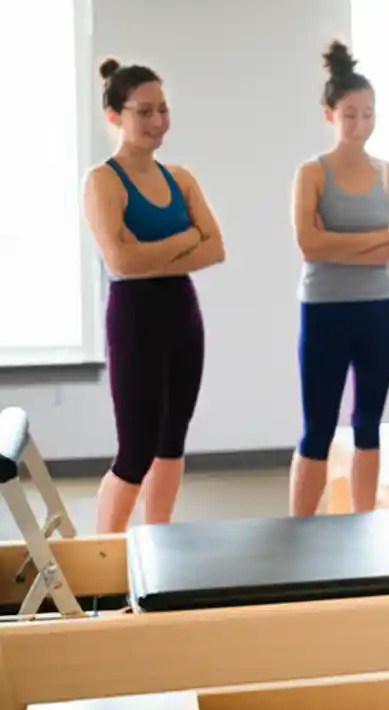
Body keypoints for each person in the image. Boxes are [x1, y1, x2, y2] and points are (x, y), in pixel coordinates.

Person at [82, 58, 226, 534]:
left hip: (183, 316)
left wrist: (150, 252)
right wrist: (185, 240)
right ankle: (102, 563)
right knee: (136, 450)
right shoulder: (103, 181)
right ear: (115, 116)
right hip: (135, 320)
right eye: (144, 111)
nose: (158, 121)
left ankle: (158, 547)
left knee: (171, 442)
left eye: (163, 109)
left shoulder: (180, 177)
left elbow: (216, 247)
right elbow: (120, 263)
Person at [288, 40, 389, 516]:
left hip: (378, 311)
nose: (360, 124)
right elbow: (309, 244)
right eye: (349, 114)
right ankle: (299, 530)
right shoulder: (311, 174)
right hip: (324, 312)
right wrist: (380, 237)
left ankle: (364, 528)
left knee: (369, 425)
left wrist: (344, 243)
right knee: (317, 428)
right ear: (329, 115)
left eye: (368, 114)